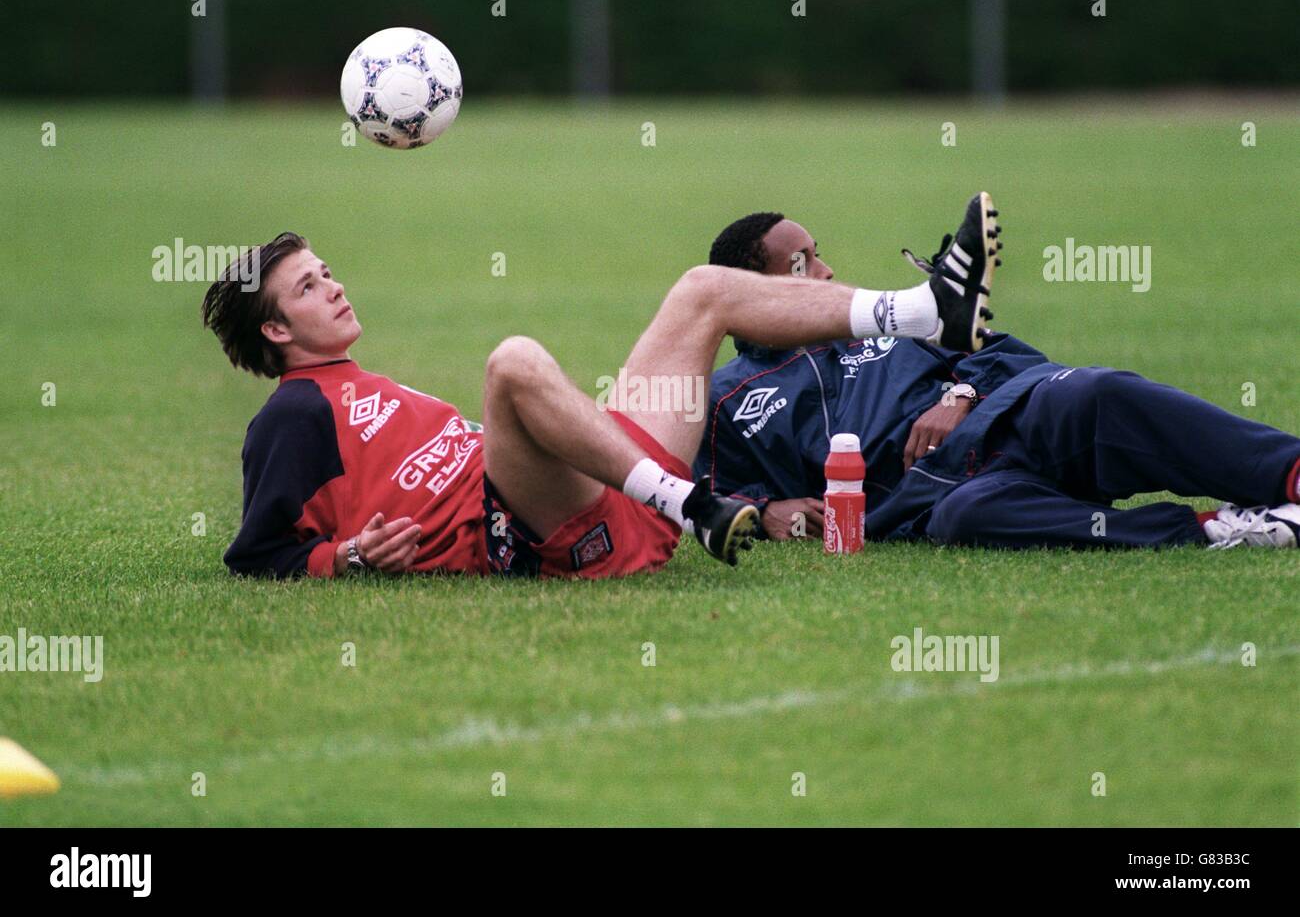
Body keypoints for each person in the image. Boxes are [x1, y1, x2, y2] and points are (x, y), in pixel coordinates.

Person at [199, 198, 995, 579]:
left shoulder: (359, 382)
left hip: (607, 486)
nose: (333, 288)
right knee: (511, 360)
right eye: (307, 288)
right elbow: (256, 554)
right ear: (276, 331)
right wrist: (349, 559)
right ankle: (691, 507)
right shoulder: (295, 414)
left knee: (701, 291)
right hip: (541, 530)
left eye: (326, 272)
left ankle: (925, 312)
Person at [696, 208, 1300, 549]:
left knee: (1097, 391)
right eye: (804, 262)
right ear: (752, 290)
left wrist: (961, 394)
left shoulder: (888, 317)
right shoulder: (726, 397)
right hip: (933, 494)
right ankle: (1220, 529)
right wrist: (767, 508)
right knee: (968, 520)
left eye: (820, 253)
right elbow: (693, 493)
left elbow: (1010, 355)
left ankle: (1288, 473)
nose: (827, 272)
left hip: (1008, 416)